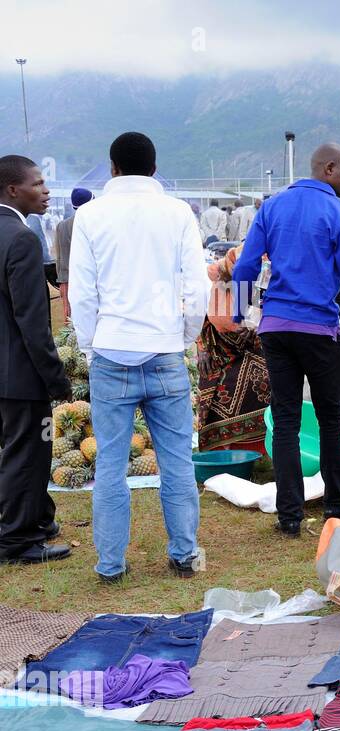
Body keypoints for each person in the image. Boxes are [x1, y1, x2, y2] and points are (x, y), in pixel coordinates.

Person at [69, 132, 210, 583]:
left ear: (112, 168)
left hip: (111, 352)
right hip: (165, 350)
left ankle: (111, 564)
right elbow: (198, 288)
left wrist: (91, 347)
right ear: (154, 168)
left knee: (110, 462)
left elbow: (83, 293)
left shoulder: (89, 215)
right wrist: (183, 337)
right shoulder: (177, 213)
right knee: (177, 460)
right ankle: (184, 555)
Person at [231, 142, 340, 537]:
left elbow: (246, 264)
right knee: (332, 419)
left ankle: (290, 516)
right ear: (329, 169)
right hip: (318, 330)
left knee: (285, 420)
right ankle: (335, 506)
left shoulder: (273, 206)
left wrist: (239, 311)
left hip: (276, 329)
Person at [0, 155, 73, 566]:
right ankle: (18, 540)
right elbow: (31, 320)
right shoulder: (22, 237)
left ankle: (36, 520)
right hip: (19, 373)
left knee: (11, 451)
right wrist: (56, 379)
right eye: (38, 183)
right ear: (14, 189)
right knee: (29, 455)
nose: (45, 191)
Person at [196, 246, 272, 453]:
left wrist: (256, 328)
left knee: (259, 380)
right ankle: (221, 448)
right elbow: (200, 314)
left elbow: (262, 311)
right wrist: (202, 347)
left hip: (257, 345)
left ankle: (257, 449)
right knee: (212, 382)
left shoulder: (266, 273)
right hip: (218, 345)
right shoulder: (217, 277)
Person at [54, 187, 92, 328]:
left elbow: (58, 255)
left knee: (70, 319)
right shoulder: (91, 223)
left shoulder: (62, 225)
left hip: (66, 277)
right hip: (86, 278)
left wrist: (60, 278)